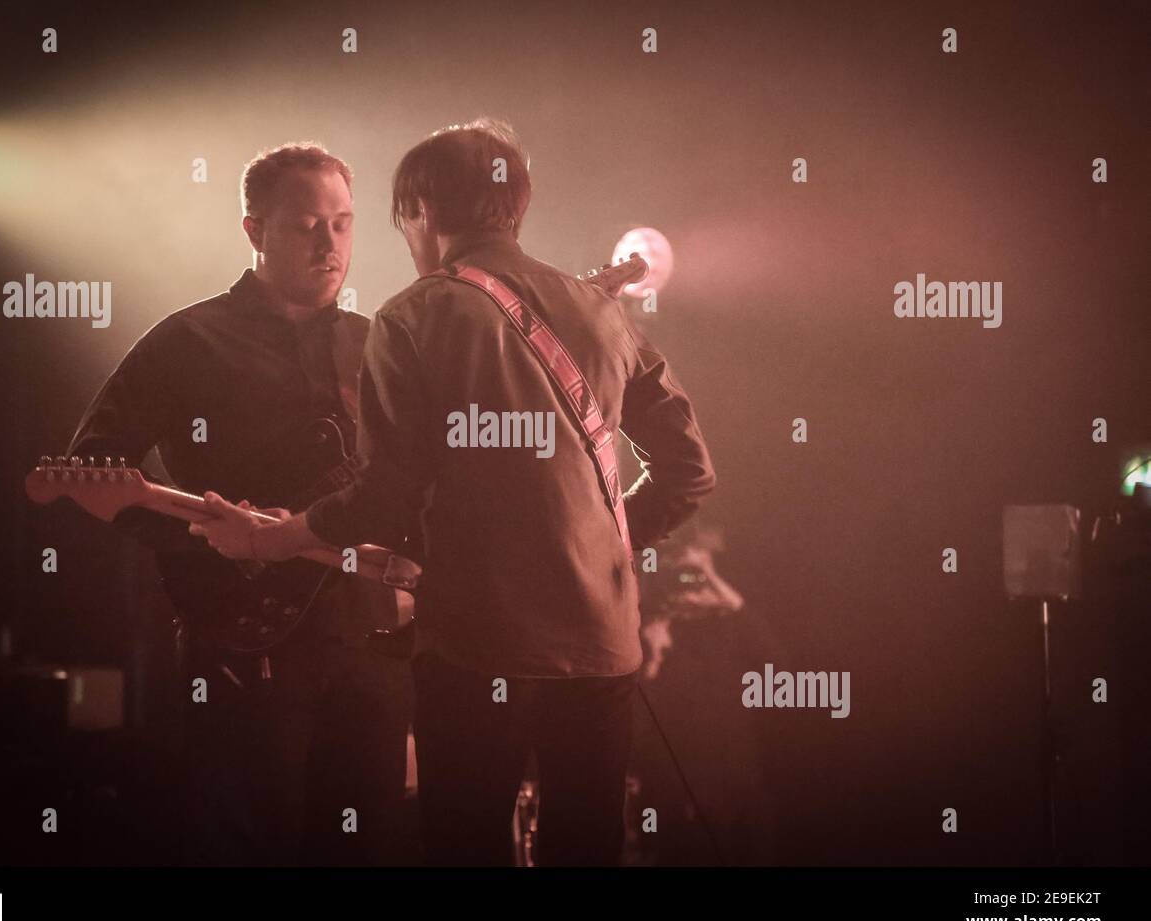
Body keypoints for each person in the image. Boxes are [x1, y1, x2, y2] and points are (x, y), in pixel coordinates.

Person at [191, 119, 715, 866]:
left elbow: (385, 498)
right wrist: (603, 540)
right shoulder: (601, 310)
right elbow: (691, 471)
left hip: (476, 649)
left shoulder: (414, 316)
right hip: (603, 646)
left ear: (423, 211)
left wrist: (277, 536)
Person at [68, 142, 412, 865]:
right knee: (255, 839)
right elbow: (93, 466)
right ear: (254, 231)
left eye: (344, 224)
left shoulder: (380, 344)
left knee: (371, 842)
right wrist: (204, 550)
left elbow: (420, 482)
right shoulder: (188, 340)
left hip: (373, 640)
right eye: (306, 225)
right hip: (246, 638)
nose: (330, 244)